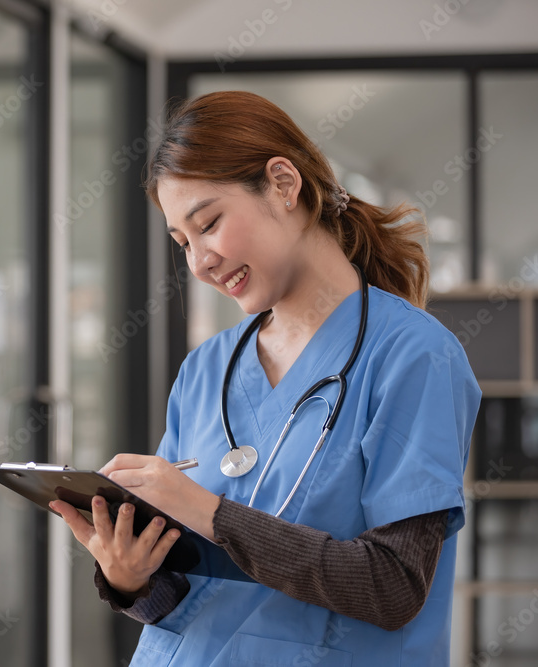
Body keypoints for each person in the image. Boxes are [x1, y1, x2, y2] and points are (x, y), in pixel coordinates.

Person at [50, 90, 481, 666]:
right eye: (182, 242)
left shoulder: (414, 356)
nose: (199, 261)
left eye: (209, 224)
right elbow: (179, 598)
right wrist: (130, 577)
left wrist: (207, 510)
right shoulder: (207, 369)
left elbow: (393, 585)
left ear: (283, 183)